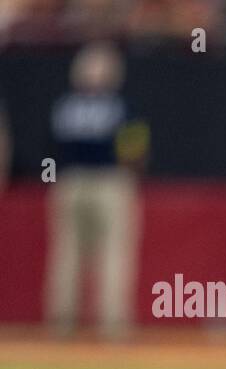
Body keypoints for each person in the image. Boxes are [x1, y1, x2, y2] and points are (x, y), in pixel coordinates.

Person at [44, 43, 148, 340]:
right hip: (109, 182)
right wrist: (133, 173)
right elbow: (135, 150)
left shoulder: (64, 105)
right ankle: (112, 322)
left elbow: (49, 151)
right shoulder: (121, 106)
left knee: (67, 253)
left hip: (71, 180)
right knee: (113, 252)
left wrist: (53, 179)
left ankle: (62, 320)